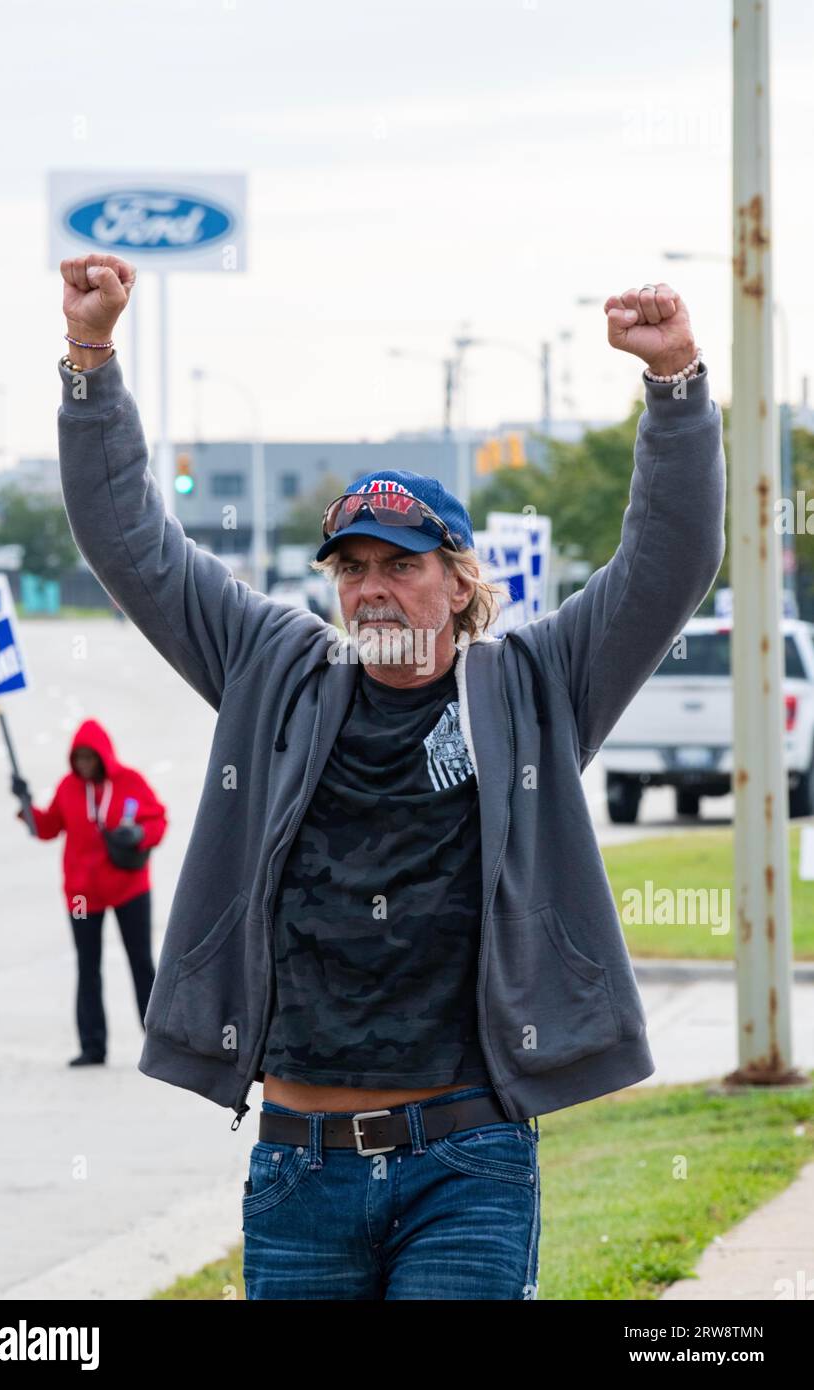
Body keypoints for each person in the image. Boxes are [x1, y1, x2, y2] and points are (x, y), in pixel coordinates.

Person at [55, 255, 725, 1299]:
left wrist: (675, 384)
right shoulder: (270, 668)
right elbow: (132, 544)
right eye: (352, 566)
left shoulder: (533, 685)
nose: (371, 588)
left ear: (457, 584)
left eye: (401, 564)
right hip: (297, 1167)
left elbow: (666, 561)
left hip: (467, 1164)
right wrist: (92, 359)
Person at [13, 717, 167, 1067]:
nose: (83, 765)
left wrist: (140, 836)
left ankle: (158, 1043)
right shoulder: (68, 787)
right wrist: (25, 803)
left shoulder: (129, 781)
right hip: (82, 896)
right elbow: (48, 827)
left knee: (141, 962)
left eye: (89, 758)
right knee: (88, 965)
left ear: (102, 756)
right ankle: (92, 1047)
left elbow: (157, 819)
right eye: (78, 758)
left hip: (129, 890)